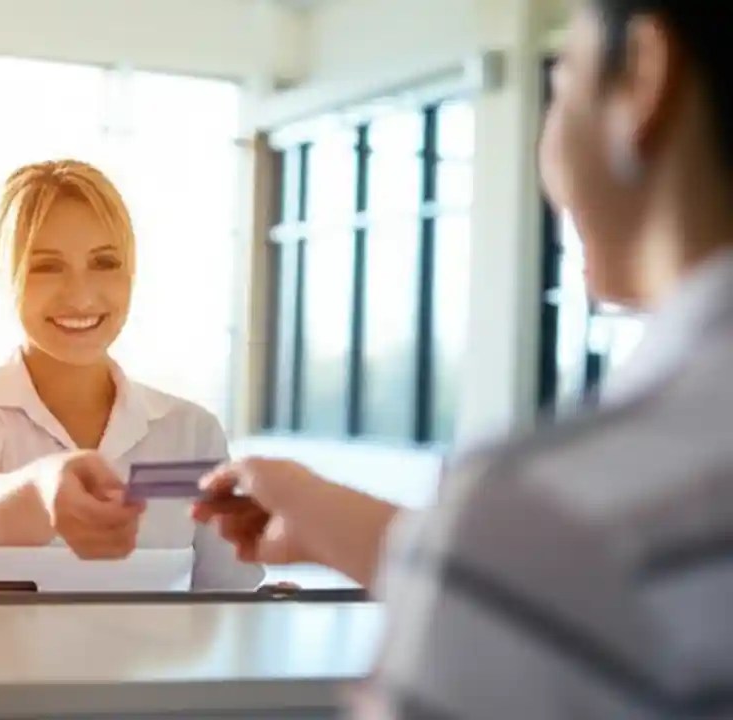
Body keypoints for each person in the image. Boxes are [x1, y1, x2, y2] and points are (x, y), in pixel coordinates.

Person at [195, 0, 733, 715]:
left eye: (559, 83)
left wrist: (467, 541)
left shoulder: (544, 508)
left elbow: (552, 568)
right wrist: (366, 529)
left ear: (643, 75)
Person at [0, 159, 263, 591]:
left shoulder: (191, 432)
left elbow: (232, 601)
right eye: (46, 266)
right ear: (6, 278)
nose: (80, 295)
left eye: (104, 262)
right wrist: (43, 491)